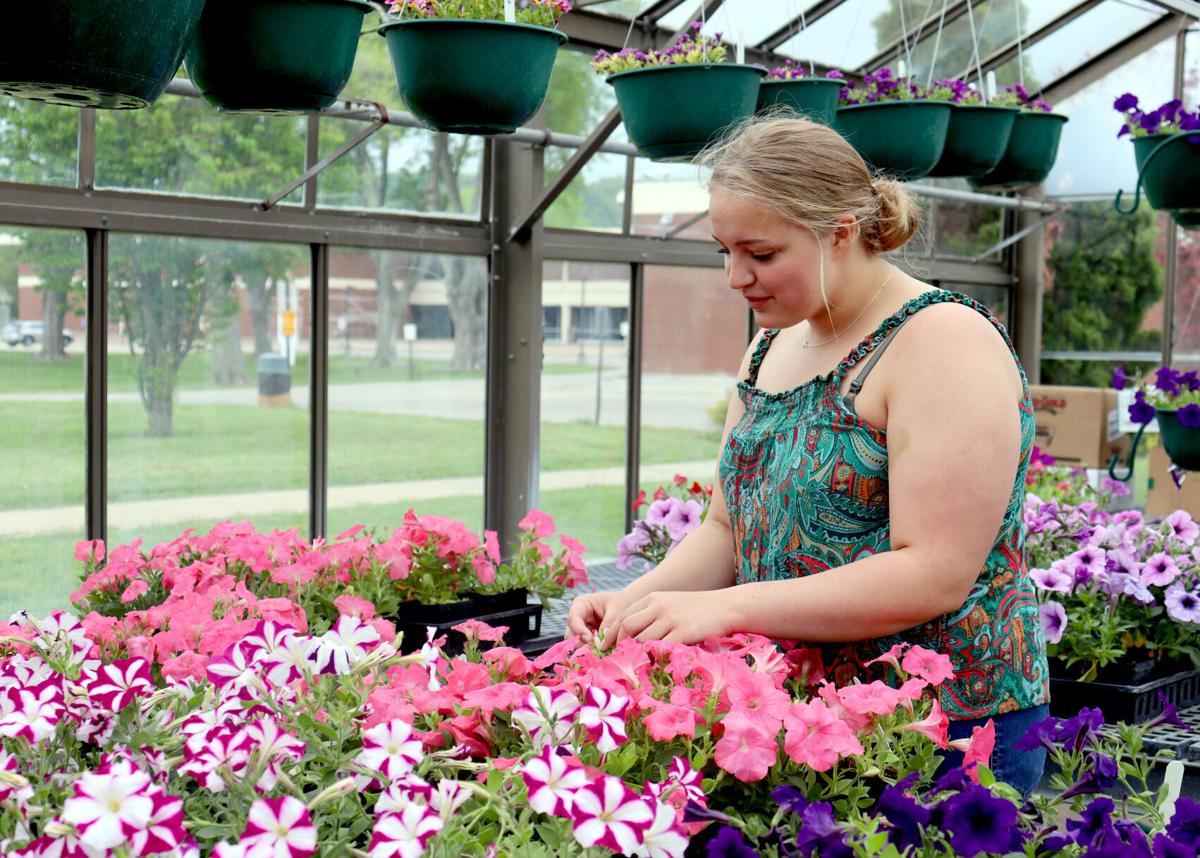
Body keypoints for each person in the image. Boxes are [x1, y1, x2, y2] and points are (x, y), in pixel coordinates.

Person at [565, 115, 1049, 797]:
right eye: (724, 250)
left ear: (841, 233)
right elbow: (725, 530)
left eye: (760, 254)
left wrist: (732, 610)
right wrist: (634, 604)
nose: (736, 276)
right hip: (809, 721)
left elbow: (934, 572)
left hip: (942, 730)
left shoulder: (942, 341)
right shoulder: (772, 345)